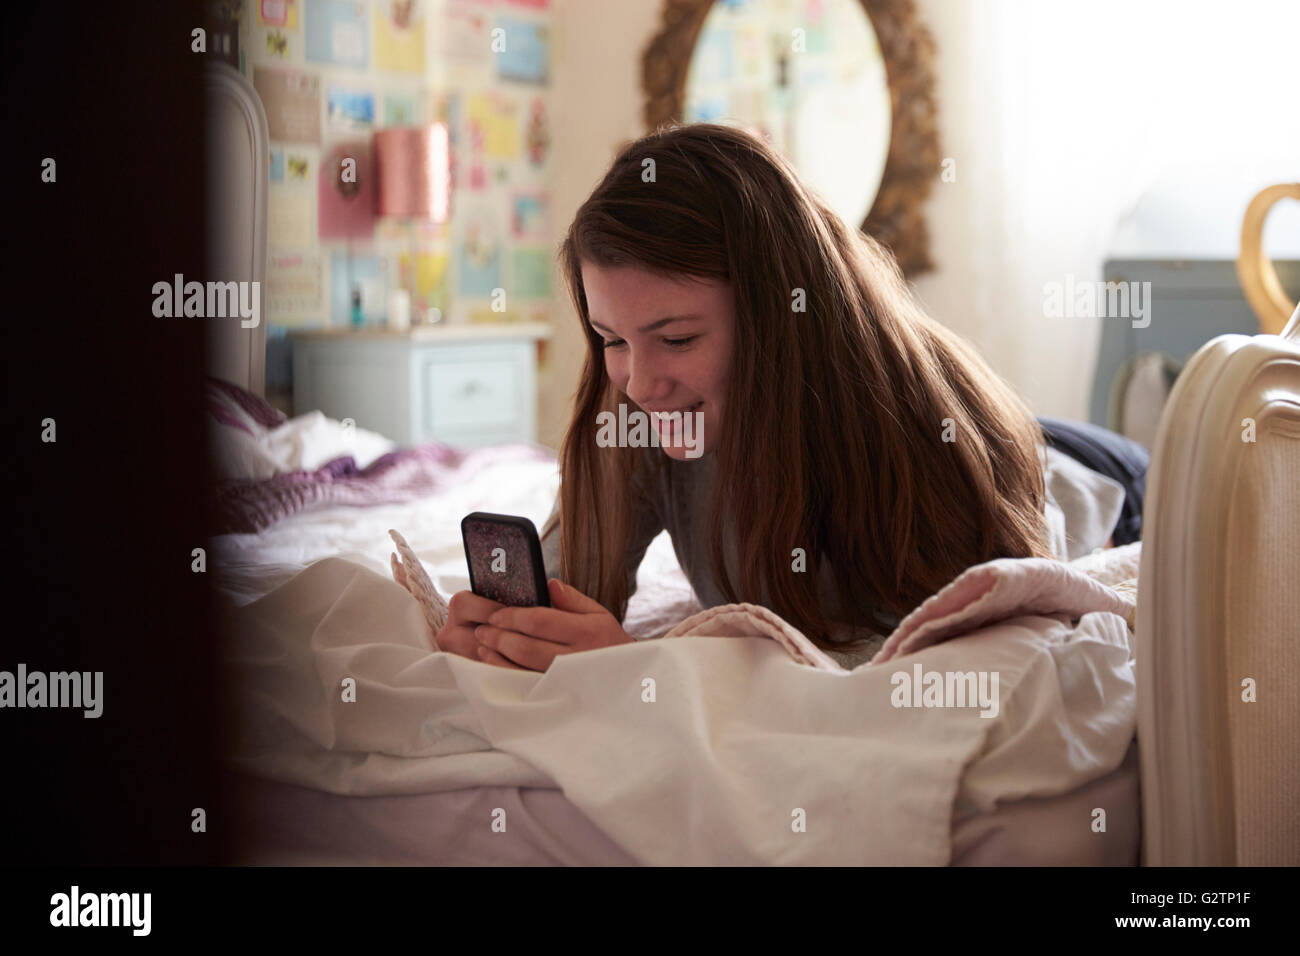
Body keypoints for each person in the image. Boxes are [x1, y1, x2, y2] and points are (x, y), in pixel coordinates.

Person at [434, 123, 1146, 672]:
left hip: (1090, 472)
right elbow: (572, 583)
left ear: (779, 320)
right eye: (611, 340)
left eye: (677, 339)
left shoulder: (916, 432)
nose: (642, 384)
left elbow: (974, 649)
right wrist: (509, 629)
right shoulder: (647, 418)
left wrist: (636, 667)